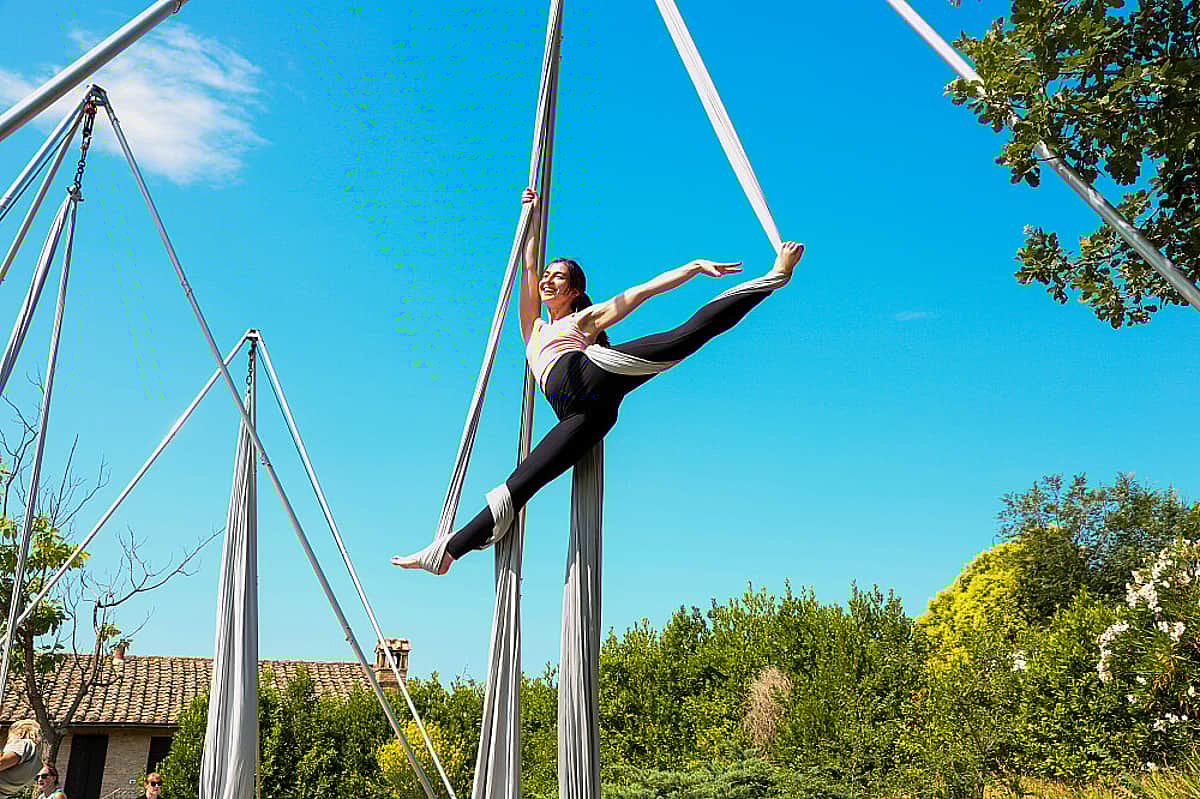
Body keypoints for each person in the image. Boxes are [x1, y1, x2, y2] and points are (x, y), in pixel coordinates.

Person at [394, 187, 805, 575]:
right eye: (548, 277)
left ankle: (775, 277)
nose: (548, 281)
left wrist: (693, 268)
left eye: (559, 278)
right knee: (521, 483)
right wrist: (530, 216)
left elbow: (639, 293)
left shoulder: (583, 320)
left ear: (574, 292)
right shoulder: (532, 328)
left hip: (597, 372)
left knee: (685, 336)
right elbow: (528, 267)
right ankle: (448, 553)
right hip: (583, 416)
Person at [0, 720, 43, 798]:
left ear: (19, 733)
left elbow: (1, 763)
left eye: (9, 735)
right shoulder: (37, 764)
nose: (7, 740)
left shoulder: (24, 743)